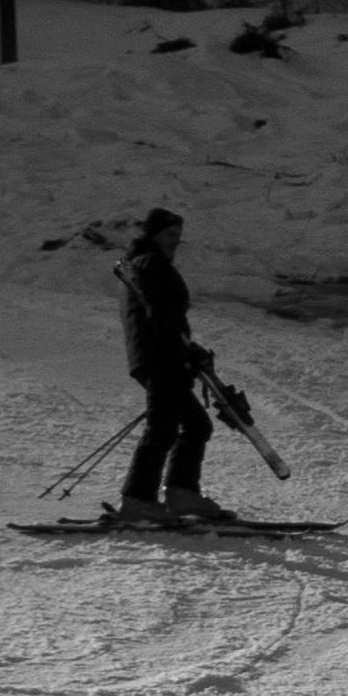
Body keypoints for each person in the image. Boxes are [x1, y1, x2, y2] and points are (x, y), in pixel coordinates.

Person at [112, 206, 237, 527]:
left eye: (178, 237)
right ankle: (139, 500)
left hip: (160, 356)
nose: (175, 242)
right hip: (160, 359)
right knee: (164, 428)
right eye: (170, 236)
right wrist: (182, 354)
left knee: (195, 425)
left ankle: (181, 494)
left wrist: (188, 350)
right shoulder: (151, 264)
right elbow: (161, 317)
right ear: (154, 234)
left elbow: (164, 317)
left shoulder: (145, 264)